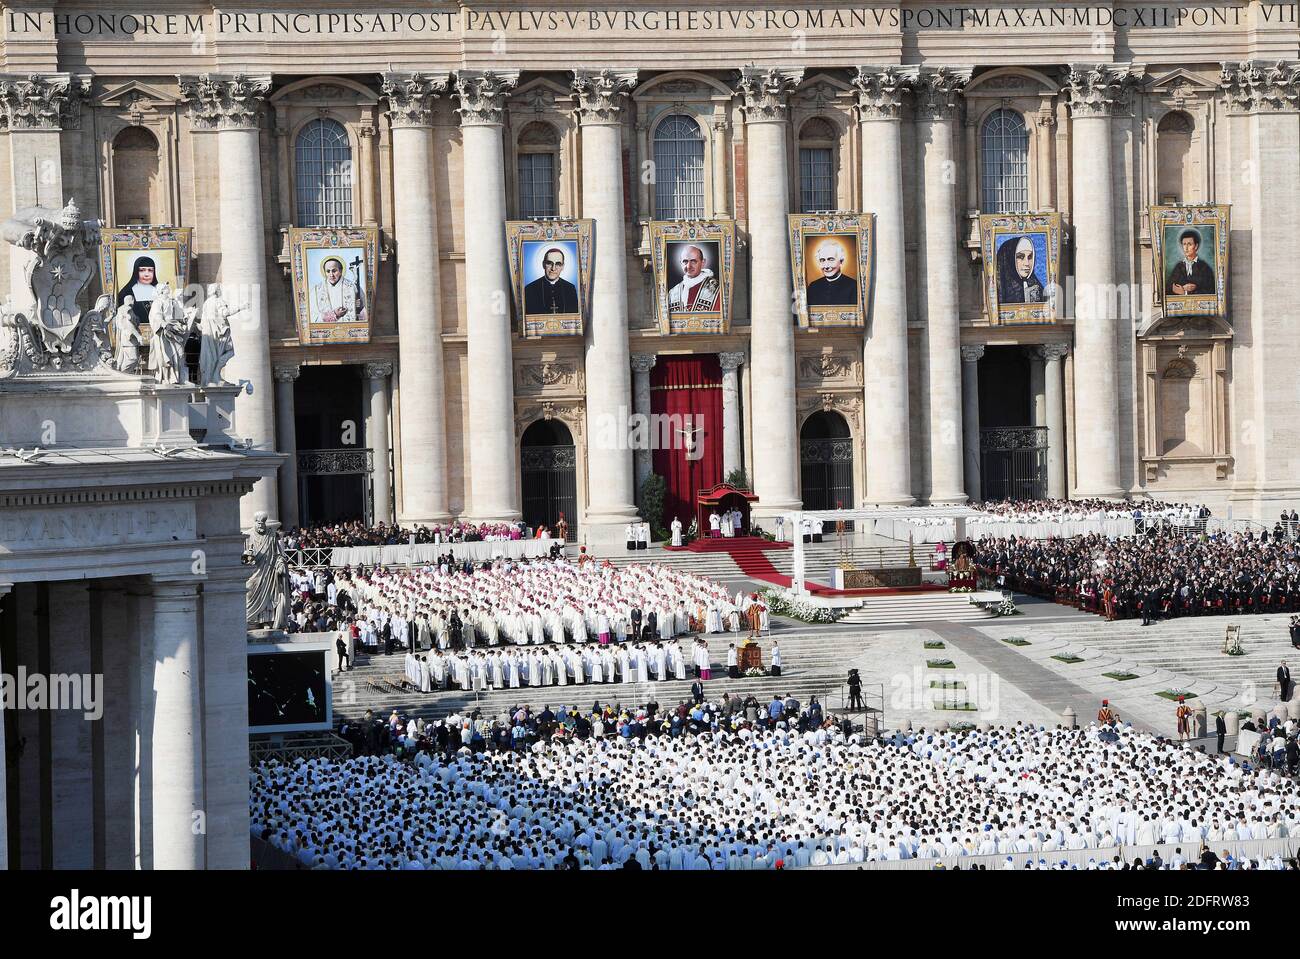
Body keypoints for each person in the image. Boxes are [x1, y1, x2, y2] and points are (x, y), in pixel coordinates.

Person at [523, 247, 580, 315]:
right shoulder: (530, 289)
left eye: (558, 264)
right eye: (549, 263)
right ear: (543, 264)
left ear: (562, 267)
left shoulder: (570, 288)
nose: (553, 268)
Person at [312, 255, 367, 324]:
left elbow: (365, 310)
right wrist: (334, 314)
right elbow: (313, 316)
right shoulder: (316, 290)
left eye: (334, 271)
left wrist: (360, 306)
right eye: (328, 271)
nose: (331, 275)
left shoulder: (352, 287)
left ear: (341, 271)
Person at [805, 237, 859, 307]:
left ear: (841, 261)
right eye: (822, 260)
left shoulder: (854, 286)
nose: (826, 266)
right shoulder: (813, 287)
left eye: (831, 259)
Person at [667, 244, 720, 312]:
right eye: (685, 261)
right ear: (681, 263)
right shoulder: (673, 292)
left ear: (703, 262)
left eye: (693, 261)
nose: (689, 266)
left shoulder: (717, 289)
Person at [996, 235, 1046, 304]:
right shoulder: (998, 292)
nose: (1027, 263)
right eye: (1021, 257)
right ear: (1009, 259)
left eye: (1030, 257)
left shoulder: (1038, 288)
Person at [1166, 228, 1216, 296]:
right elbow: (1168, 289)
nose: (1186, 248)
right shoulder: (1178, 267)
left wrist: (1185, 293)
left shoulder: (1204, 267)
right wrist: (1182, 288)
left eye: (1189, 244)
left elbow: (1211, 291)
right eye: (1184, 244)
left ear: (1196, 246)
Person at [115, 254, 160, 327]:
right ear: (136, 272)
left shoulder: (160, 291)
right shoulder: (127, 293)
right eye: (142, 270)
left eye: (150, 270)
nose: (147, 274)